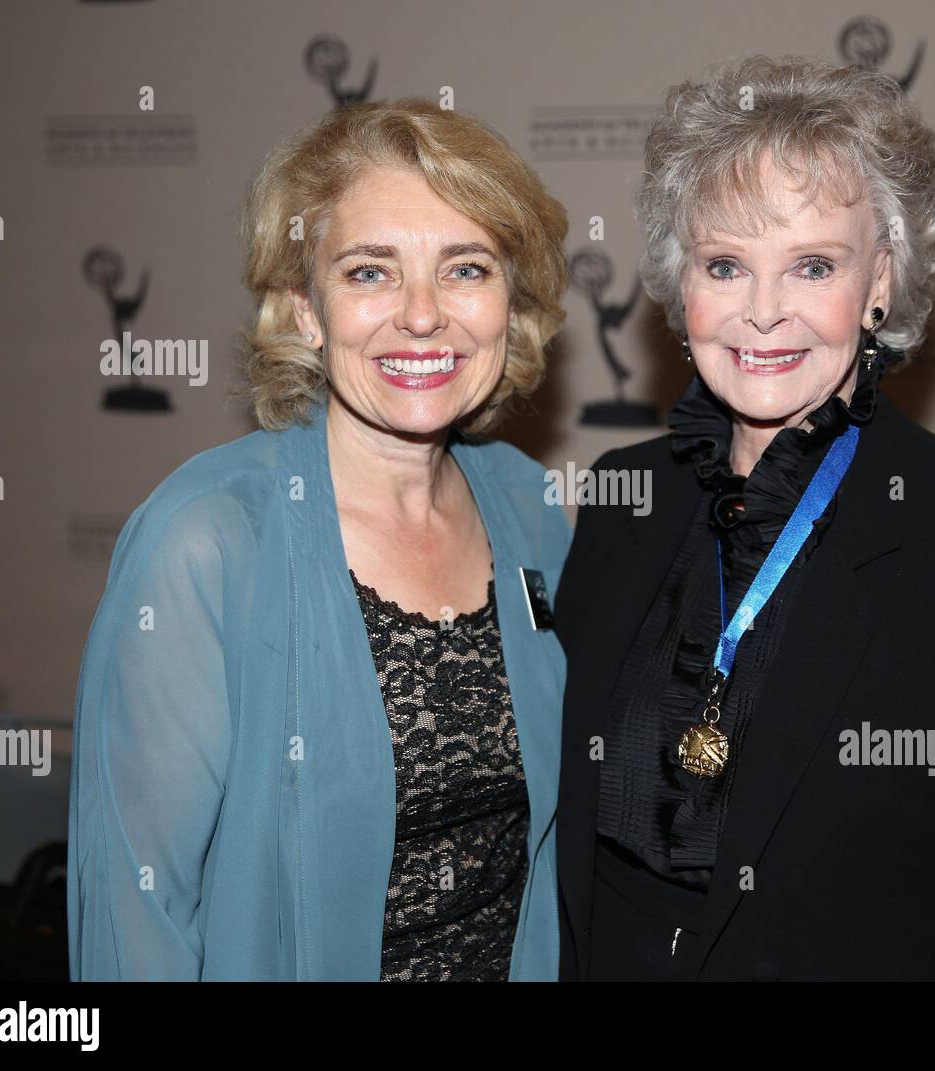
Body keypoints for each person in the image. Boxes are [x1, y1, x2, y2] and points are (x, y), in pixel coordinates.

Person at [553, 55, 935, 981]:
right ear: (679, 284)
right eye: (725, 264)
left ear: (881, 283)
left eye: (813, 264)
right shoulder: (622, 500)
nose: (763, 313)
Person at [67, 99, 571, 981]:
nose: (421, 316)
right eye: (370, 272)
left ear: (509, 302)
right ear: (304, 309)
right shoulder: (205, 545)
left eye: (465, 268)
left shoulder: (532, 509)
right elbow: (133, 918)